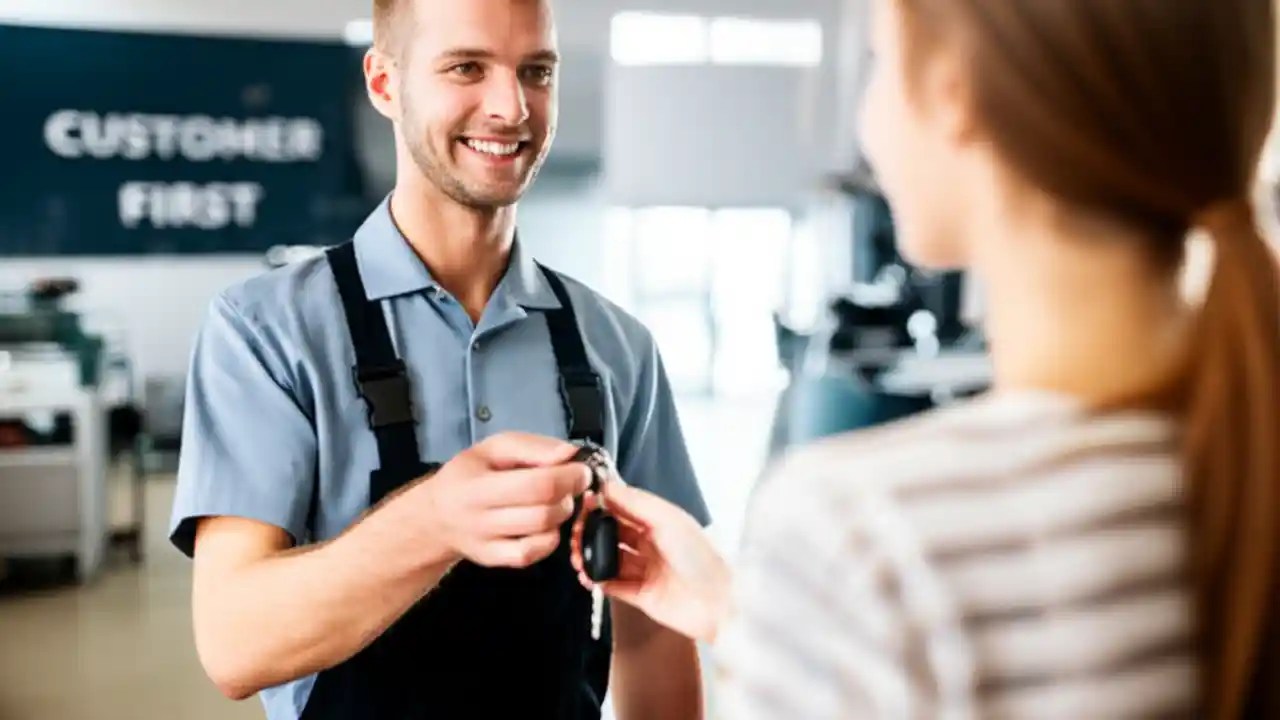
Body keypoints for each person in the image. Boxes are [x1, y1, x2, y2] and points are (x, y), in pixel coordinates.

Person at [573, 0, 1280, 718]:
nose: (870, 123)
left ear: (953, 94)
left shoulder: (858, 532)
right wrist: (756, 617)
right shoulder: (1244, 463)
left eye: (880, 65)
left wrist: (818, 606)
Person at [167, 1, 709, 718]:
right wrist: (434, 523)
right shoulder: (267, 332)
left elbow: (651, 632)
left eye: (536, 72)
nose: (512, 106)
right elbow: (235, 645)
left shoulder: (618, 349)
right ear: (385, 83)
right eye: (466, 67)